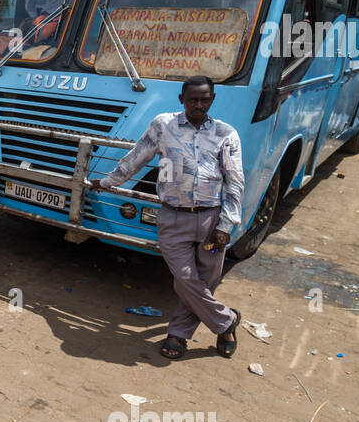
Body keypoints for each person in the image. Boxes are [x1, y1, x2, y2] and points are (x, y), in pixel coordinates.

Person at [89, 75, 245, 361]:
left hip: (212, 218)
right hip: (174, 216)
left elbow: (234, 182)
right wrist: (109, 181)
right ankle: (227, 321)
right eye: (193, 99)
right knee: (185, 278)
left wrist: (226, 225)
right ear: (181, 100)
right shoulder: (164, 125)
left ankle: (179, 333)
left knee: (205, 281)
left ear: (212, 99)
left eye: (205, 99)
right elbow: (138, 156)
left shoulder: (227, 134)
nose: (199, 105)